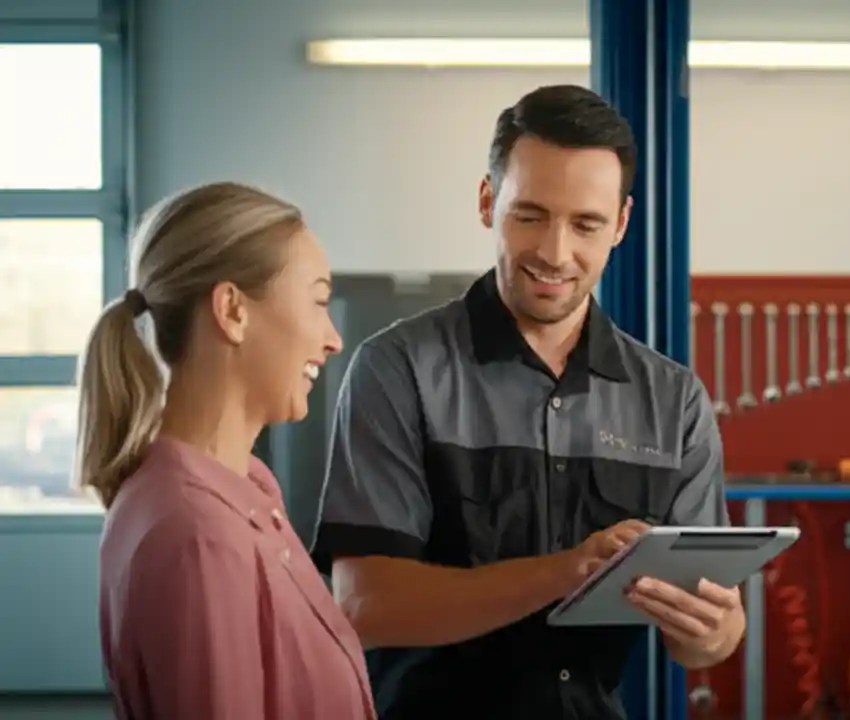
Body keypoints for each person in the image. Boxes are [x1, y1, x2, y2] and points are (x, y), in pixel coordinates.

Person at [310, 84, 745, 719]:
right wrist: (567, 572)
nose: (554, 252)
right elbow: (365, 606)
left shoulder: (672, 399)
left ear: (620, 225)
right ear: (488, 202)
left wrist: (712, 630)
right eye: (531, 215)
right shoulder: (398, 369)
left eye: (586, 224)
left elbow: (711, 641)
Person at [77, 181, 376, 720]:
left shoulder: (246, 485)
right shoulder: (198, 531)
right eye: (317, 302)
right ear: (232, 310)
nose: (333, 339)